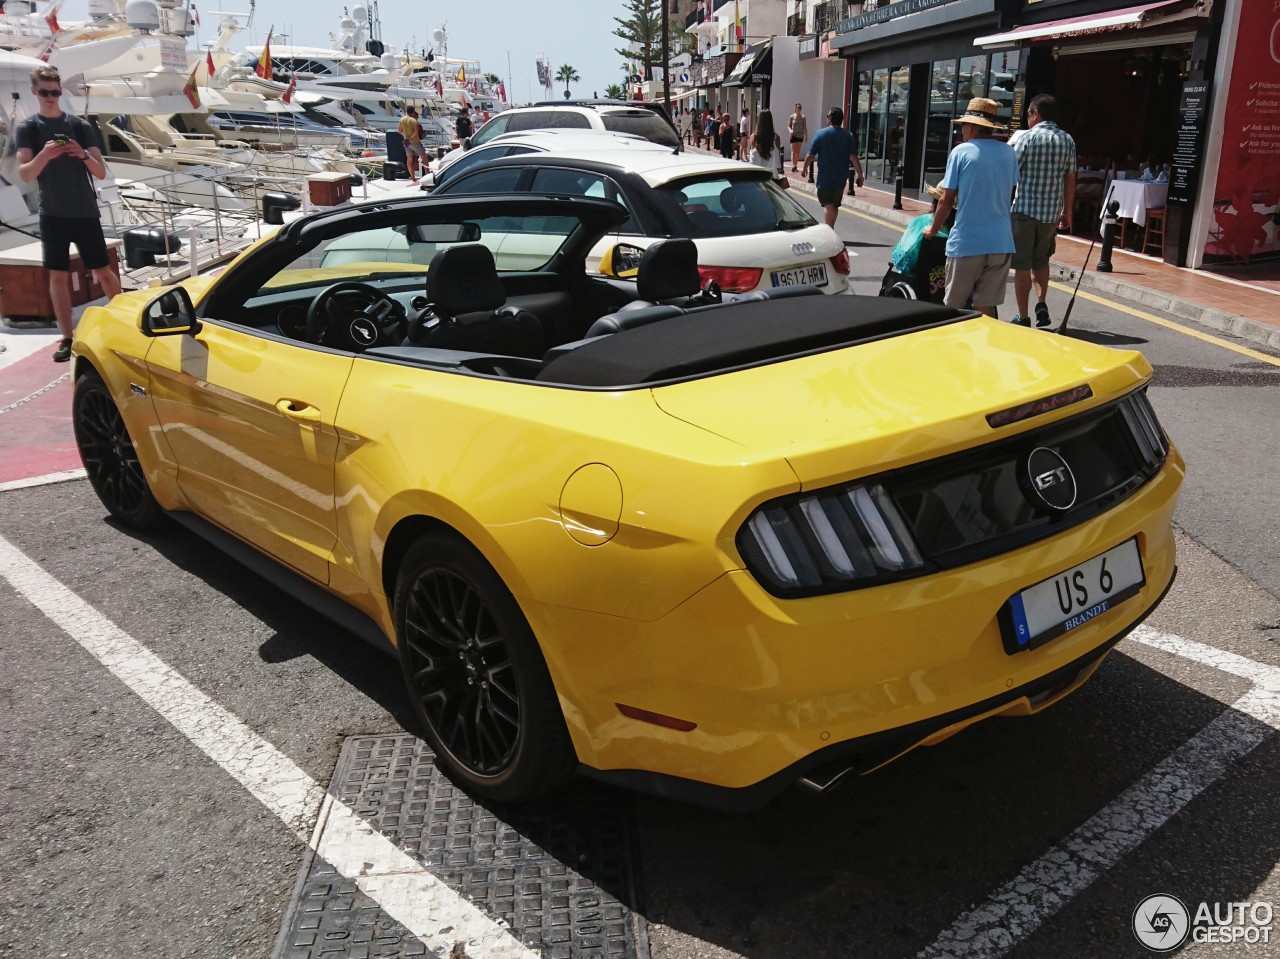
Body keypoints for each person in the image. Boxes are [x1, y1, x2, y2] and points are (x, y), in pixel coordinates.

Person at [15, 65, 122, 363]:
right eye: (45, 92)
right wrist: (45, 154)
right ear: (35, 92)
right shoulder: (29, 128)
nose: (51, 97)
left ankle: (126, 321)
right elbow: (24, 174)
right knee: (58, 277)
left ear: (60, 92)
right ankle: (66, 338)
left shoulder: (79, 126)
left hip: (85, 212)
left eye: (55, 92)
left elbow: (100, 172)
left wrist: (81, 153)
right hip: (53, 215)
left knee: (103, 271)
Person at [923, 97, 1019, 319]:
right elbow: (1010, 191)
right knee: (985, 306)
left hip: (968, 240)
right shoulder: (1008, 152)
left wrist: (933, 229)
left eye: (963, 126)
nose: (962, 131)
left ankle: (954, 350)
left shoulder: (961, 152)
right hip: (1000, 242)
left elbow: (946, 199)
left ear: (972, 127)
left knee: (954, 306)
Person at [1009, 94, 1076, 327]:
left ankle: (1023, 315)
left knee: (1021, 266)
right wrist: (1066, 212)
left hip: (1025, 211)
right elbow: (1070, 179)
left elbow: (1011, 172)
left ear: (1035, 114)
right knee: (1041, 262)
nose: (1027, 118)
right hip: (1050, 215)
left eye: (1028, 113)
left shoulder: (1028, 139)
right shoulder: (1067, 140)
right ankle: (1041, 303)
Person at [801, 107, 864, 228]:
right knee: (834, 205)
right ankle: (831, 228)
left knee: (828, 204)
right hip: (841, 178)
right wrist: (860, 174)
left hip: (825, 177)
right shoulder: (848, 135)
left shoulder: (821, 133)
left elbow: (810, 155)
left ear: (829, 119)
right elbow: (854, 157)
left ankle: (829, 229)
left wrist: (804, 168)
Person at [748, 109, 784, 182]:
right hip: (771, 177)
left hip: (757, 177)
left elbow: (752, 158)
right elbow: (777, 157)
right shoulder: (776, 138)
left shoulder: (753, 138)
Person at [397, 105, 426, 181]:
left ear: (406, 111)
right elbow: (416, 132)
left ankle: (412, 176)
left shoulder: (401, 120)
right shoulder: (414, 121)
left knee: (409, 159)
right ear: (413, 112)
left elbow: (399, 130)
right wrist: (409, 138)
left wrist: (405, 136)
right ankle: (427, 172)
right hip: (414, 141)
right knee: (424, 156)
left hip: (406, 143)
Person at [786, 103, 807, 173]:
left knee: (798, 152)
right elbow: (788, 126)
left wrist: (806, 136)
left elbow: (805, 127)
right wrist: (790, 131)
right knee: (793, 151)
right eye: (798, 107)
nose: (800, 109)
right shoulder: (792, 117)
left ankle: (796, 165)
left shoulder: (803, 117)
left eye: (800, 107)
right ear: (795, 108)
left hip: (800, 135)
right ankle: (793, 166)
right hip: (793, 135)